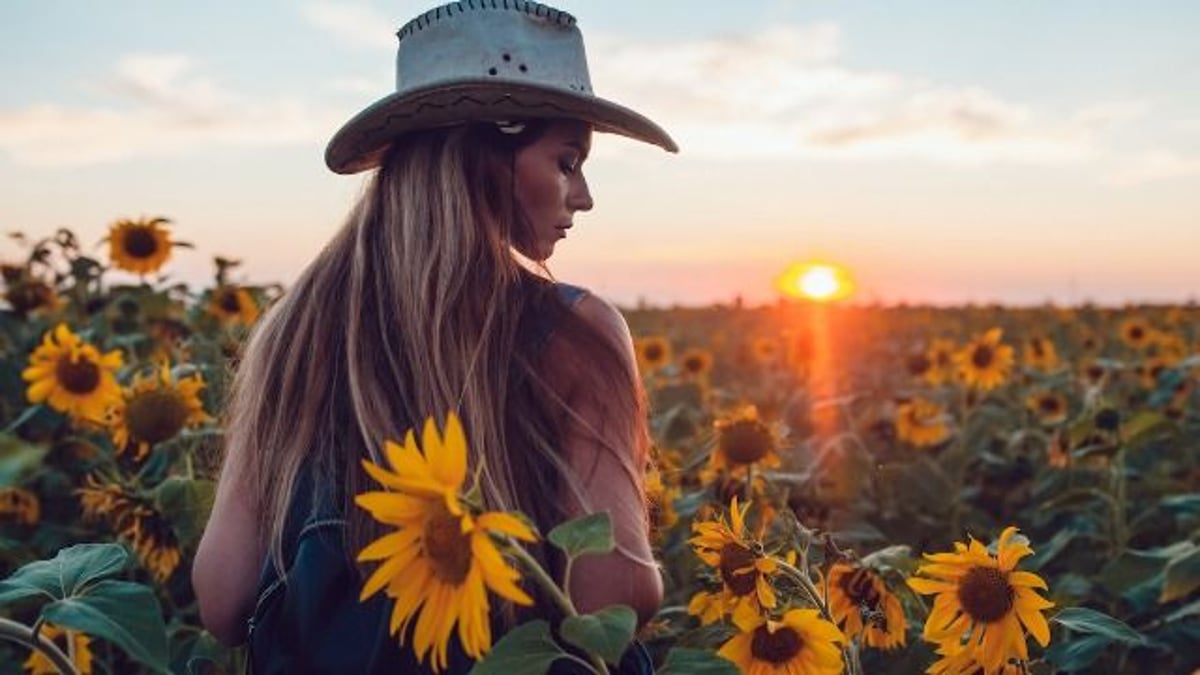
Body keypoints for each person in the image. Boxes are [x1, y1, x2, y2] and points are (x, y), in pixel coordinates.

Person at [192, 1, 677, 673]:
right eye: (567, 161)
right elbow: (609, 597)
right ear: (486, 153)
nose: (583, 194)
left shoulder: (289, 330)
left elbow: (223, 598)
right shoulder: (573, 330)